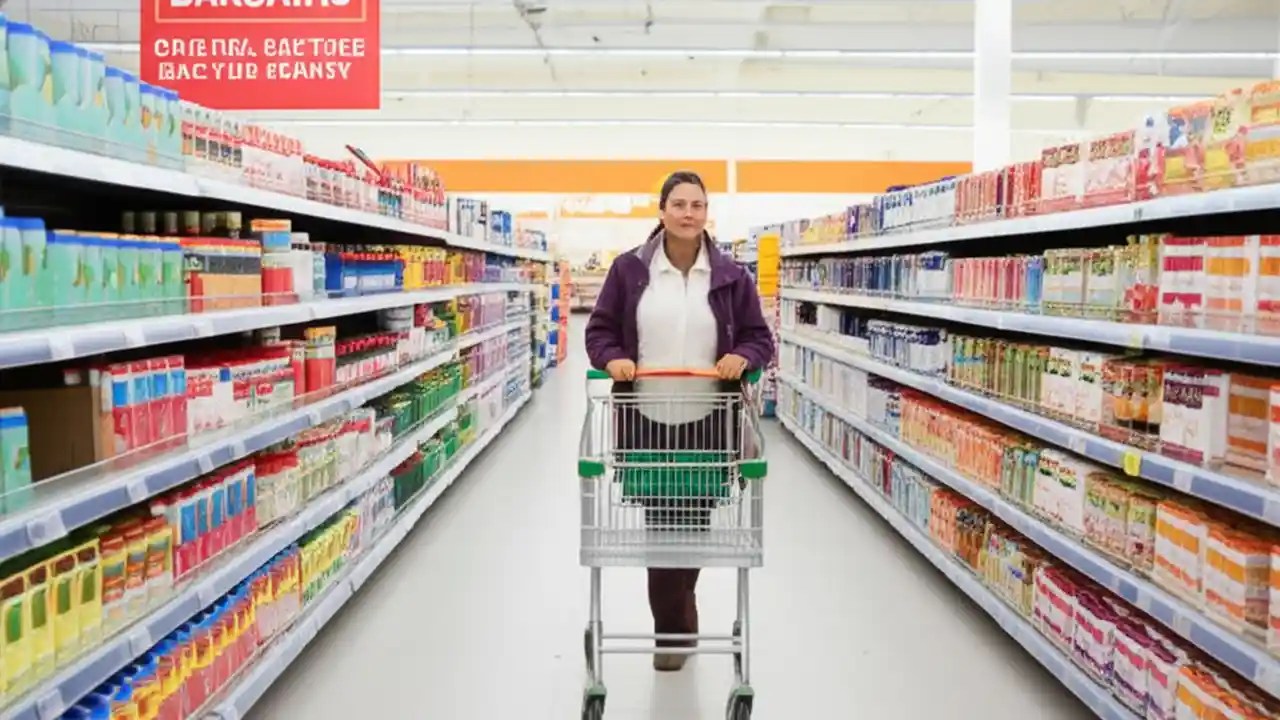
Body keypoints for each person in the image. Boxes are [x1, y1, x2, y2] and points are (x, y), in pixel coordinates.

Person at [584, 170, 775, 672]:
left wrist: (742, 356)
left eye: (697, 204)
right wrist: (612, 360)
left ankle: (678, 617)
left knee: (694, 522)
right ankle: (673, 632)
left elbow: (761, 339)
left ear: (706, 212)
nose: (689, 213)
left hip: (710, 420)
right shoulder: (628, 271)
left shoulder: (732, 276)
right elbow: (600, 331)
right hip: (644, 415)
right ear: (662, 210)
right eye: (679, 204)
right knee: (661, 524)